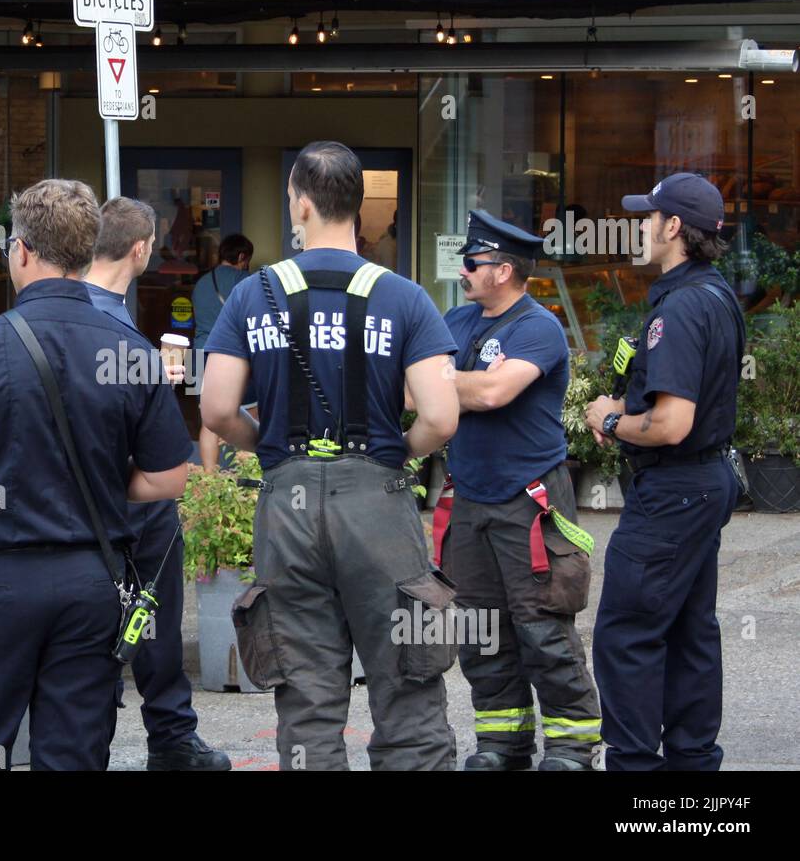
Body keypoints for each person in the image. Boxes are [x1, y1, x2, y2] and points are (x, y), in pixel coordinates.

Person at [0, 179, 192, 771]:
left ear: (22, 252)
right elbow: (169, 479)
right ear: (87, 255)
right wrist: (101, 487)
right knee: (74, 752)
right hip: (92, 581)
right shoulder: (131, 350)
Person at [202, 141, 461, 771]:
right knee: (408, 683)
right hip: (376, 496)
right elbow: (440, 416)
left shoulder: (250, 295)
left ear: (300, 201)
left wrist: (266, 449)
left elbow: (215, 411)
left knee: (306, 695)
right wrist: (398, 457)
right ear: (357, 205)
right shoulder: (405, 297)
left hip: (286, 505)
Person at [585, 172, 743, 771]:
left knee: (627, 634)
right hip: (704, 485)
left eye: (649, 217)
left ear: (673, 227)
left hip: (673, 488)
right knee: (689, 630)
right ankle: (693, 774)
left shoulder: (677, 310)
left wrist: (610, 418)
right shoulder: (716, 293)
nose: (642, 226)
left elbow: (672, 424)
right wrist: (633, 408)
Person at [440, 209, 602, 772]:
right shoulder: (457, 323)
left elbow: (489, 394)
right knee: (481, 631)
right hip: (469, 500)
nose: (462, 270)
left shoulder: (538, 328)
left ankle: (572, 747)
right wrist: (453, 385)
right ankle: (502, 745)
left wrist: (442, 384)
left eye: (472, 262)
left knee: (542, 627)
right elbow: (430, 388)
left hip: (529, 500)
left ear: (504, 271)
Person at [84, 197, 231, 771]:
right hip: (133, 503)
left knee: (110, 626)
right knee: (153, 621)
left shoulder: (83, 312)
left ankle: (105, 738)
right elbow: (162, 453)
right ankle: (169, 739)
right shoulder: (113, 325)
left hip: (84, 503)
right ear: (142, 249)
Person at [192, 233, 254, 471]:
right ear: (241, 257)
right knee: (249, 416)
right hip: (231, 357)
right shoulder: (247, 282)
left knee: (208, 421)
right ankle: (246, 480)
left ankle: (209, 479)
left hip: (198, 355)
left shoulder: (201, 283)